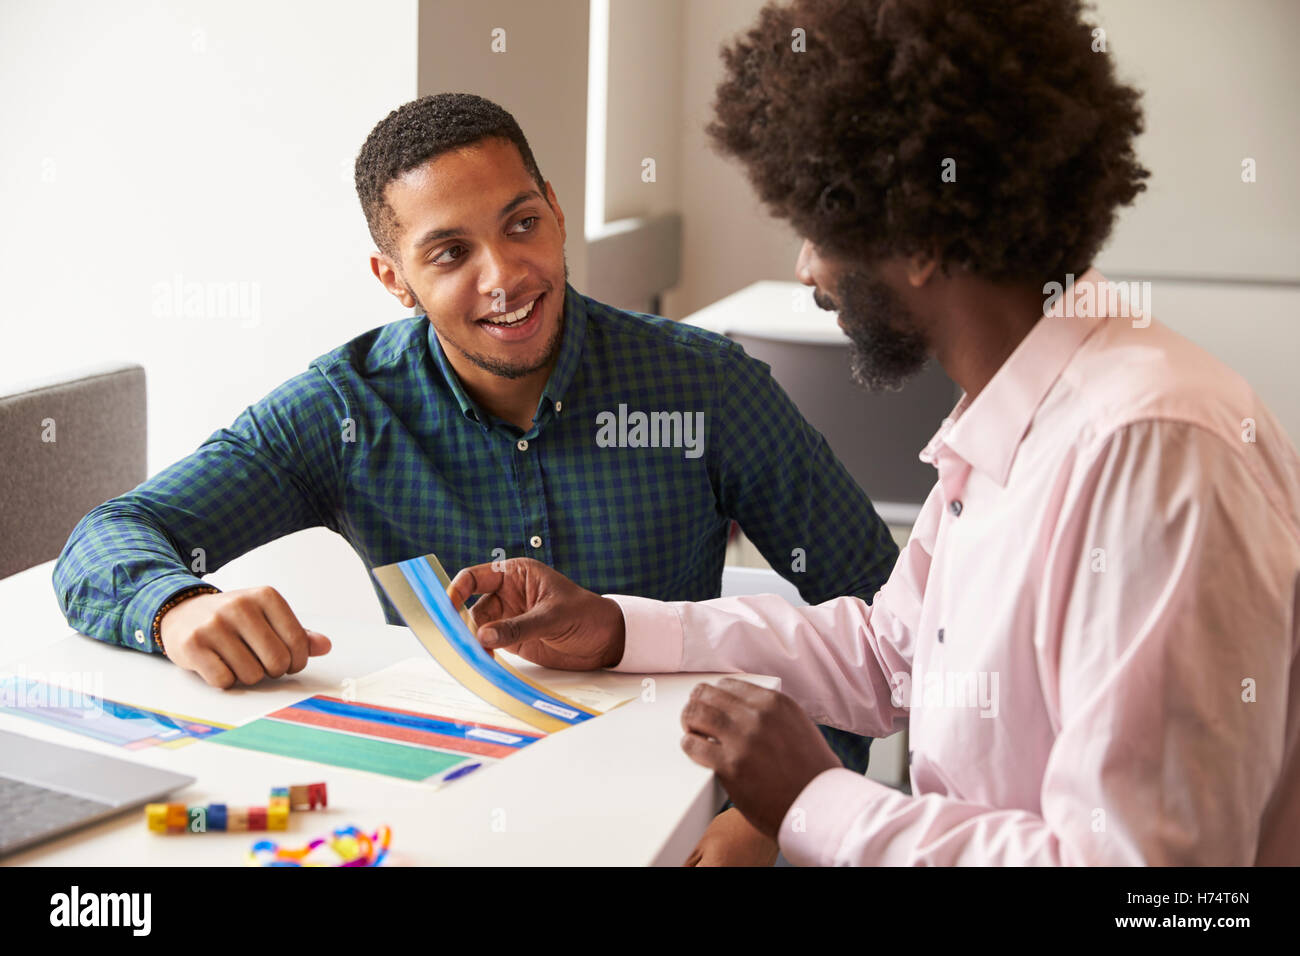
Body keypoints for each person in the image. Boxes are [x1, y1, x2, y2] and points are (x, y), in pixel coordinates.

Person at [443, 0, 1300, 865]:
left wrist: (817, 800)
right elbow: (893, 656)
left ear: (919, 236)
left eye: (819, 227)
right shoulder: (1015, 413)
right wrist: (619, 629)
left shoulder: (1149, 451)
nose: (807, 268)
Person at [52, 92, 899, 865]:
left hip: (680, 818)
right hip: (444, 828)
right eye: (451, 252)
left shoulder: (707, 386)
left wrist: (771, 816)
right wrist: (176, 608)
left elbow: (890, 625)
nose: (504, 275)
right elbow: (107, 537)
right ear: (396, 281)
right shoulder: (343, 409)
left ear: (557, 211)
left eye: (521, 223)